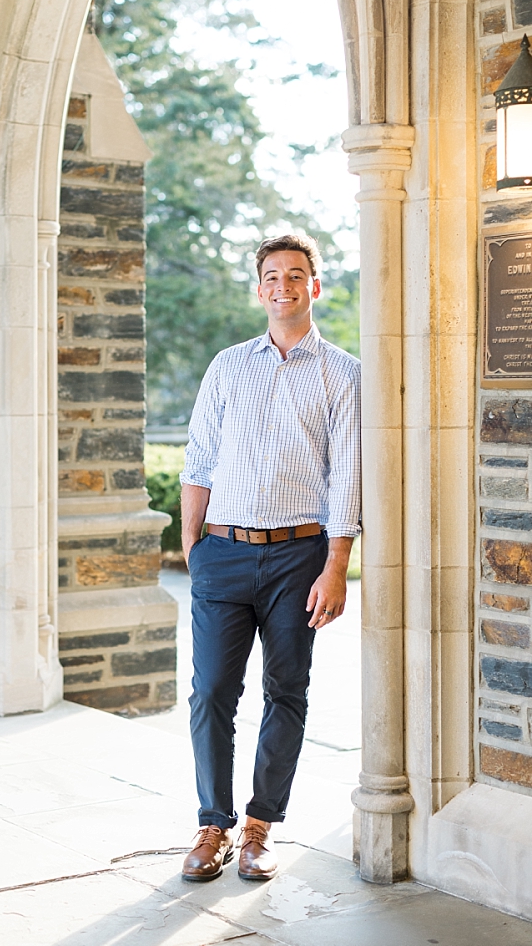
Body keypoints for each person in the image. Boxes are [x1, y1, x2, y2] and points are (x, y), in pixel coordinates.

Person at [176, 233, 359, 883]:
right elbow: (199, 457)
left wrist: (336, 561)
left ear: (314, 286)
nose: (283, 285)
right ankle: (212, 823)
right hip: (222, 554)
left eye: (296, 274)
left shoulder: (343, 372)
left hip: (299, 558)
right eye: (272, 275)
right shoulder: (228, 366)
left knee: (287, 690)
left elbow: (347, 476)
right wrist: (192, 545)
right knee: (212, 694)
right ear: (260, 289)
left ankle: (258, 827)